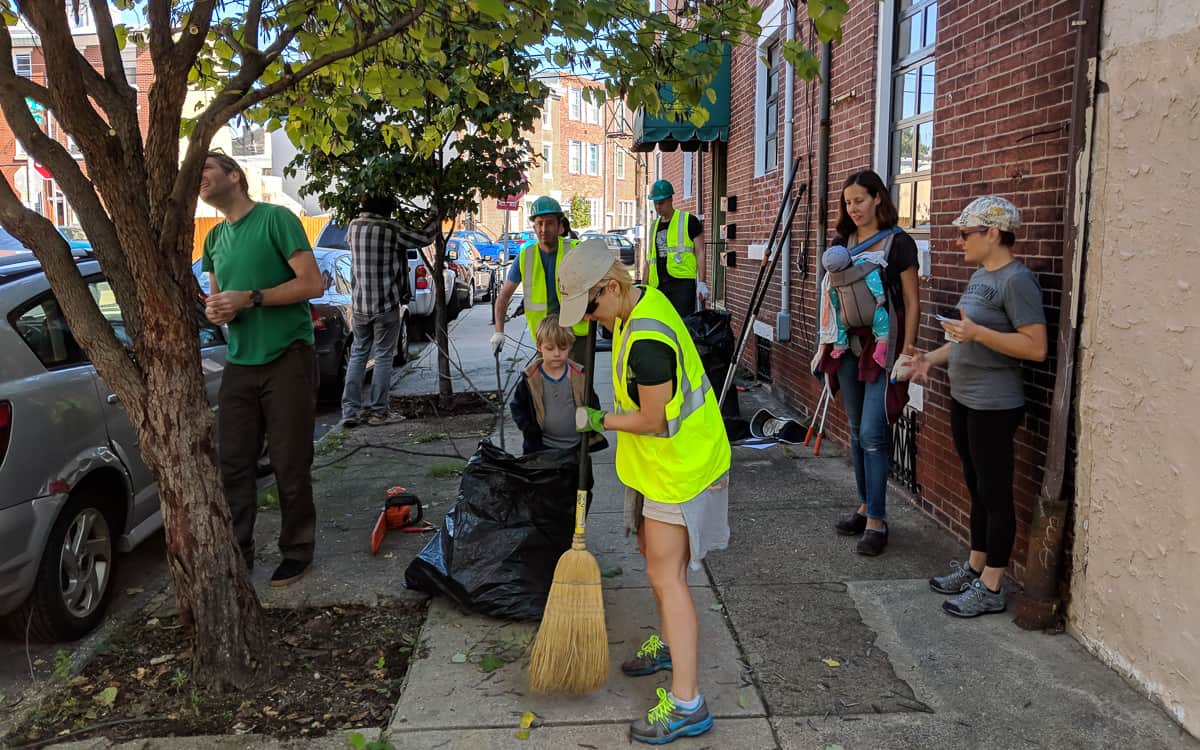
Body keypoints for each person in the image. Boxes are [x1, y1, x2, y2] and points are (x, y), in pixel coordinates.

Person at [560, 239, 730, 745]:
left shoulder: (648, 341)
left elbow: (654, 419)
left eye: (589, 307)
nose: (587, 320)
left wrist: (598, 418)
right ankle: (668, 647)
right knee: (654, 560)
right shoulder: (634, 310)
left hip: (682, 467)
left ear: (611, 288)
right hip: (655, 468)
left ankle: (687, 705)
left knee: (665, 575)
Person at [910, 196, 1047, 617]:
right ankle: (975, 566)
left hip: (995, 403)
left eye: (965, 233)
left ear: (992, 233)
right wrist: (928, 360)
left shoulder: (1017, 280)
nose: (958, 241)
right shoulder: (978, 276)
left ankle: (992, 585)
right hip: (964, 397)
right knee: (976, 487)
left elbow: (1035, 347)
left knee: (995, 493)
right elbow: (963, 339)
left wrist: (979, 333)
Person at [200, 152, 323, 587]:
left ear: (235, 176)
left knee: (291, 462)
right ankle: (239, 552)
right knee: (233, 463)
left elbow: (312, 283)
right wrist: (218, 311)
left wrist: (250, 298)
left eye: (206, 171)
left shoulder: (277, 220)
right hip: (240, 361)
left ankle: (297, 550)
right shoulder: (213, 239)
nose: (199, 179)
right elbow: (218, 301)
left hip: (287, 355)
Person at [817, 170, 920, 557]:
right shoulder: (840, 243)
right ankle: (864, 506)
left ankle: (878, 521)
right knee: (858, 430)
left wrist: (907, 351)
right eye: (847, 202)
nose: (853, 208)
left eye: (859, 200)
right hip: (846, 348)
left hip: (884, 348)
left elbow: (912, 302)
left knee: (875, 433)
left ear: (878, 198)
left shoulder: (898, 244)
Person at [491, 196, 590, 364]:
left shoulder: (575, 250)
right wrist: (499, 332)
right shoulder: (525, 257)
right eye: (539, 223)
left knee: (578, 386)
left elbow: (598, 287)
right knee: (544, 385)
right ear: (534, 227)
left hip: (576, 335)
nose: (544, 228)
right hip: (545, 337)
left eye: (550, 223)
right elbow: (504, 297)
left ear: (560, 226)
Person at [341, 195, 411, 428]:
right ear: (387, 211)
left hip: (360, 305)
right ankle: (378, 412)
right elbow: (422, 238)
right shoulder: (390, 228)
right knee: (383, 356)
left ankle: (350, 411)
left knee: (358, 355)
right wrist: (433, 215)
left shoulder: (353, 226)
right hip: (385, 305)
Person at [510, 315, 606, 456]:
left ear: (570, 346)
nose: (556, 354)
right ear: (539, 346)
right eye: (550, 348)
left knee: (577, 479)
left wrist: (592, 428)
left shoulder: (579, 375)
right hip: (542, 449)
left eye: (562, 348)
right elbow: (517, 407)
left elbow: (593, 403)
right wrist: (530, 429)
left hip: (576, 448)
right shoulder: (531, 378)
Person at [646, 179, 703, 319]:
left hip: (682, 286)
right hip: (659, 286)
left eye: (661, 203)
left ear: (671, 199)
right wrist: (644, 286)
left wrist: (702, 282)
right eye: (655, 203)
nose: (658, 207)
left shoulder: (689, 221)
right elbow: (649, 259)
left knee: (682, 325)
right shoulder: (653, 226)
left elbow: (700, 252)